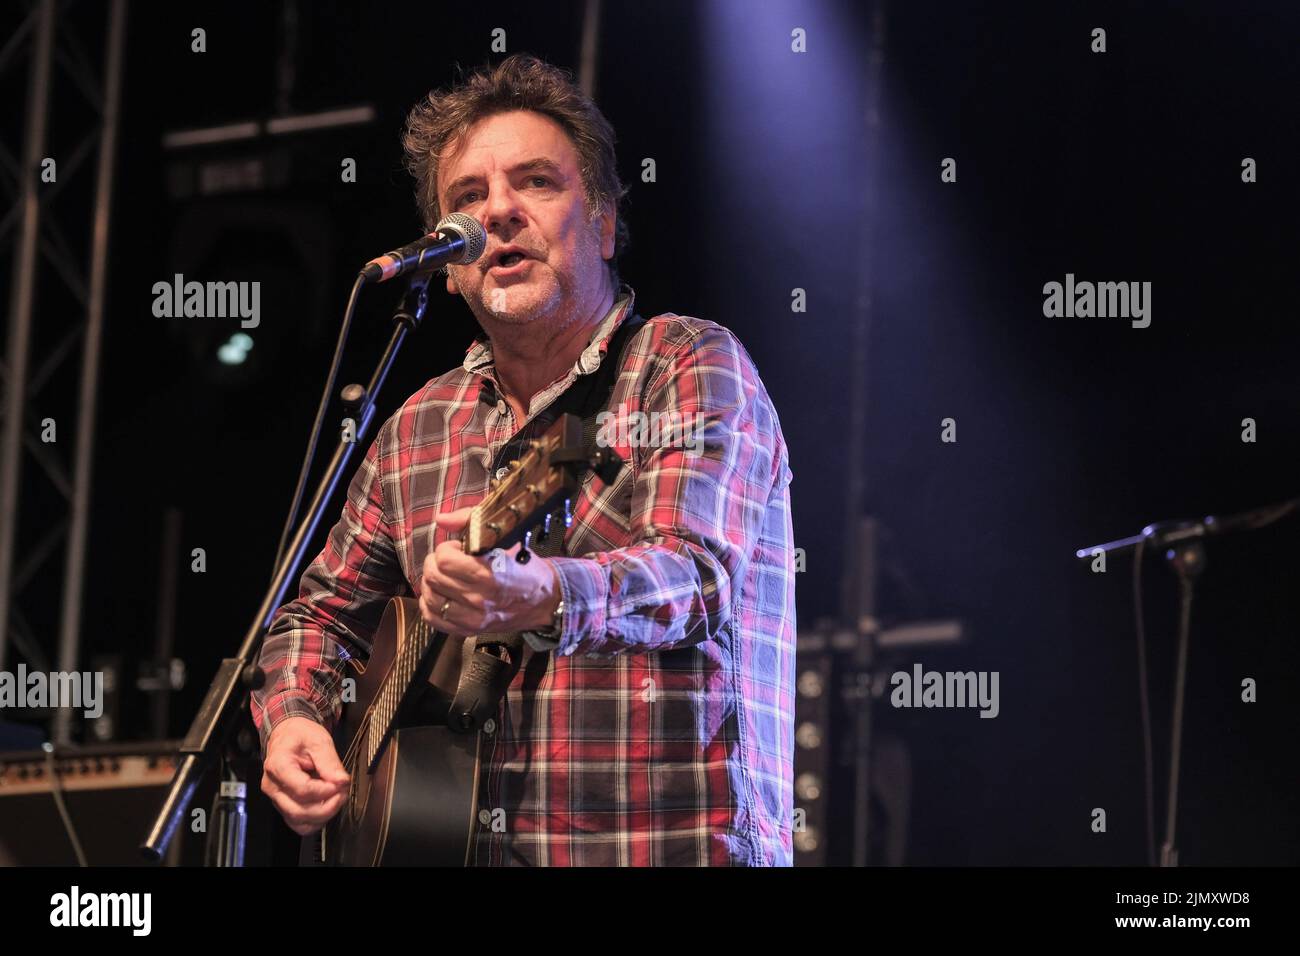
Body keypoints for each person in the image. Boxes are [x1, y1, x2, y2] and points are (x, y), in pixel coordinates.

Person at [250, 53, 796, 866]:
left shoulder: (684, 364)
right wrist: (294, 716)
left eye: (536, 182)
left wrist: (540, 594)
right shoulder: (417, 427)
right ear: (449, 257)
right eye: (467, 198)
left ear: (605, 222)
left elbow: (697, 574)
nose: (498, 210)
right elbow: (314, 616)